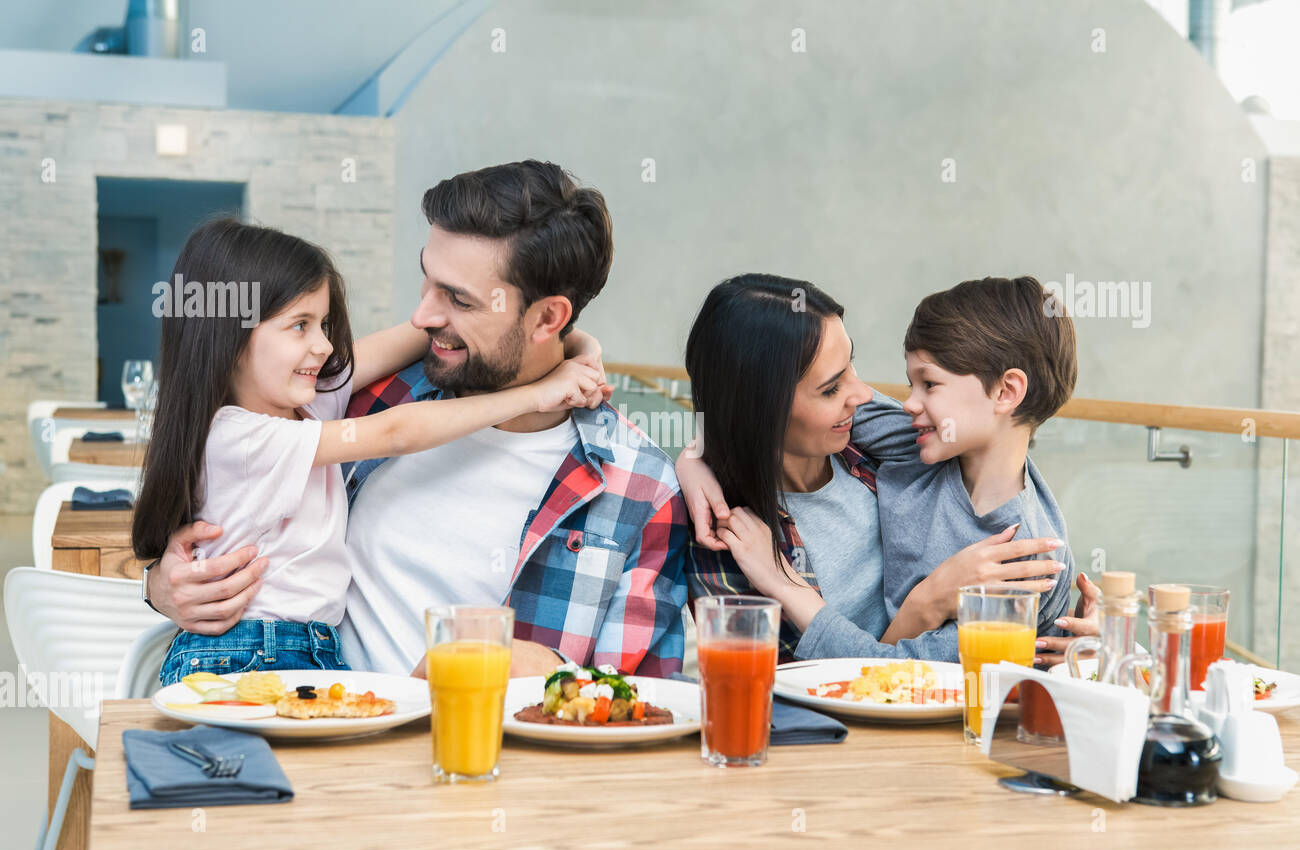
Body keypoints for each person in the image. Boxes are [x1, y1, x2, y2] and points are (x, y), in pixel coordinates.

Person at [144, 161, 690, 678]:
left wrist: (549, 675)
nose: (421, 316)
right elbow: (217, 509)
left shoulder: (640, 488)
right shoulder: (368, 400)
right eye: (427, 281)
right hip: (313, 721)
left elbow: (645, 703)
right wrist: (161, 583)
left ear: (549, 317)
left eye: (458, 298)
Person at [678, 273, 1098, 664]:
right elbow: (792, 695)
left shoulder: (1022, 553)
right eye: (831, 387)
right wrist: (695, 455)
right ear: (769, 410)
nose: (867, 395)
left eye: (928, 384)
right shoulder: (727, 531)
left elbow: (904, 677)